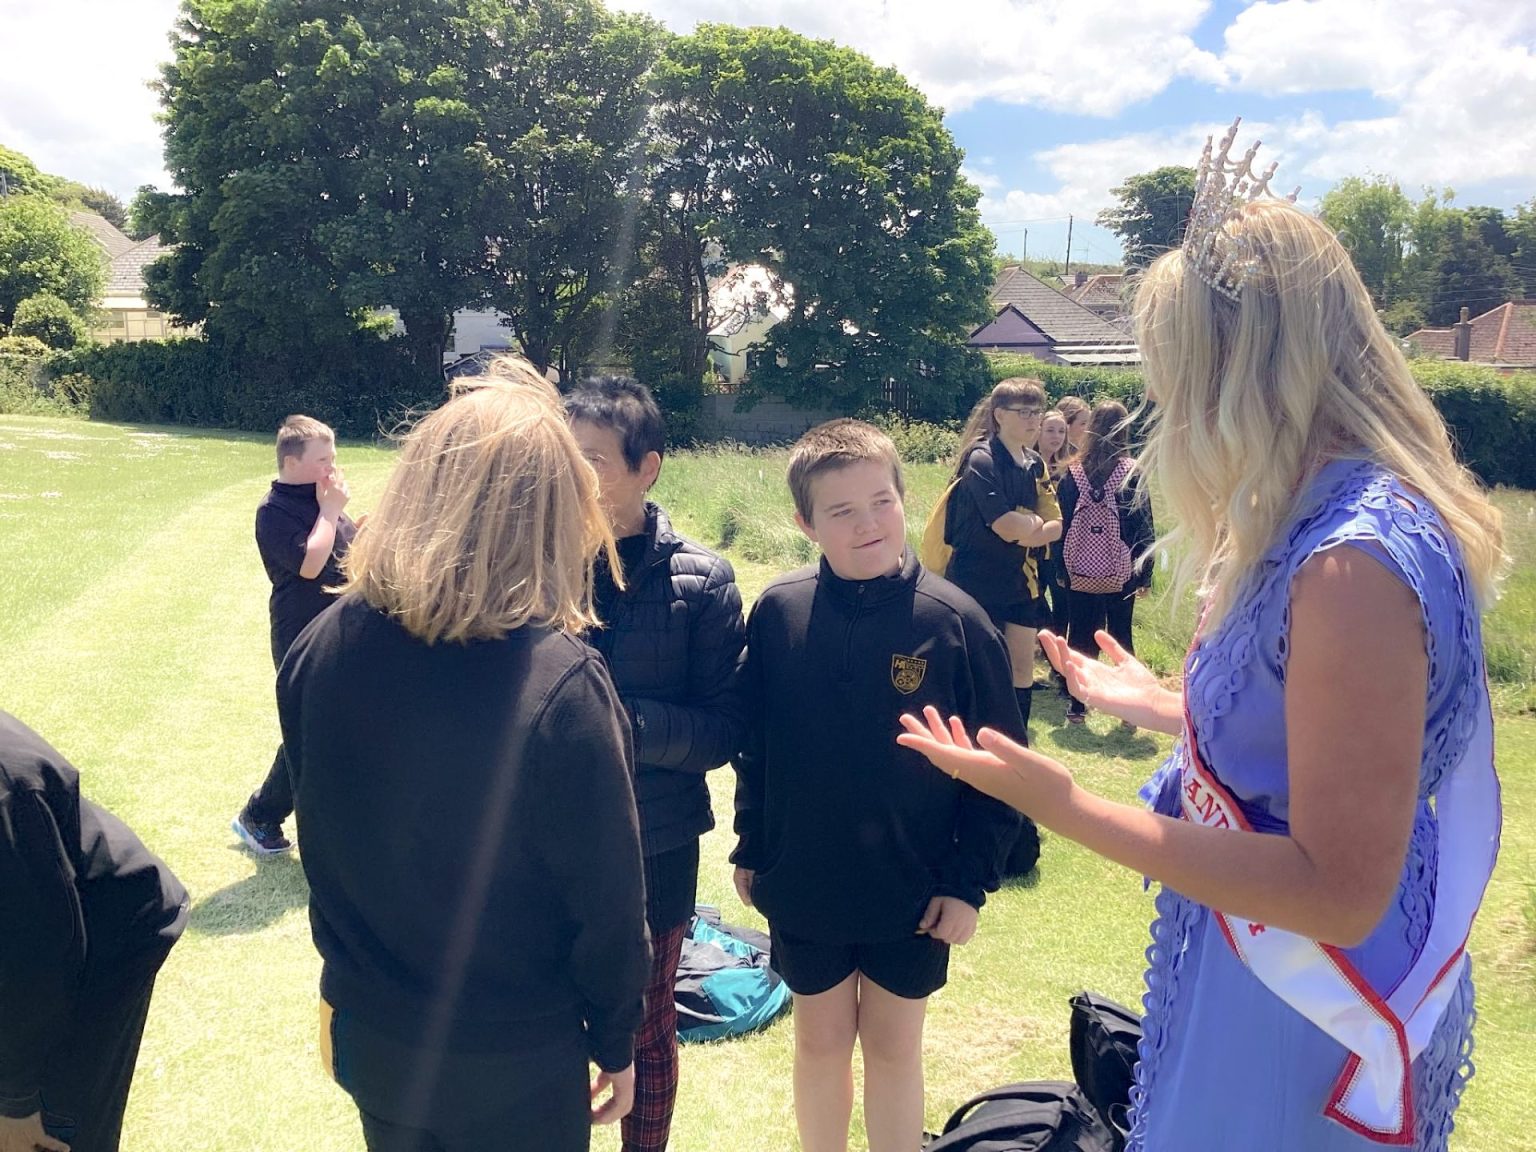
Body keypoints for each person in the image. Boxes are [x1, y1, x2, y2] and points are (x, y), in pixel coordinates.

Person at [898, 128, 1504, 1152]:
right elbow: (1321, 745)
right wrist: (1160, 704)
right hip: (1256, 981)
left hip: (1305, 1015)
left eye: (1176, 366)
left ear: (1246, 363)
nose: (1166, 399)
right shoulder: (1329, 514)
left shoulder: (1350, 559)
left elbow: (1337, 891)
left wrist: (1064, 805)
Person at [277, 360, 651, 1152]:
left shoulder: (320, 645)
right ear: (552, 514)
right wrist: (619, 1039)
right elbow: (609, 903)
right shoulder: (562, 684)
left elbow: (323, 837)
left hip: (373, 1033)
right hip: (511, 1059)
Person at [730, 419, 1023, 1152]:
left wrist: (967, 884)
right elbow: (756, 747)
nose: (869, 523)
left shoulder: (956, 622)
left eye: (882, 501)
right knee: (820, 1043)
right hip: (805, 878)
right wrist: (750, 843)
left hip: (915, 890)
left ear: (904, 497)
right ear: (805, 523)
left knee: (894, 1048)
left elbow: (1002, 772)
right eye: (842, 511)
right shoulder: (778, 612)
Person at [565, 376, 747, 1152]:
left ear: (650, 468)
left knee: (648, 1021)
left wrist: (619, 723)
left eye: (596, 460)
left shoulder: (700, 582)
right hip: (544, 835)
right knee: (543, 1015)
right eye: (565, 458)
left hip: (657, 837)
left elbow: (721, 730)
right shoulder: (530, 566)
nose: (577, 477)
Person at [0, 711, 188, 1152]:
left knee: (48, 1135)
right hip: (37, 928)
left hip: (102, 943)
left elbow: (37, 960)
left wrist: (17, 1101)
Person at [232, 414, 356, 854]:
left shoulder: (325, 498)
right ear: (292, 461)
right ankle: (260, 815)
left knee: (337, 725)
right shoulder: (275, 510)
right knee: (309, 728)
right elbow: (309, 564)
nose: (332, 464)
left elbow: (349, 549)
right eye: (323, 457)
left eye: (332, 455)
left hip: (341, 627)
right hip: (300, 633)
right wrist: (330, 512)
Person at [942, 378, 1062, 742]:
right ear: (999, 416)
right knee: (980, 665)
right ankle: (970, 741)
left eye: (1037, 411)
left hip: (1021, 581)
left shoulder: (1035, 463)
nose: (1033, 420)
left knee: (1022, 667)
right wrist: (1030, 525)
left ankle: (1016, 744)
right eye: (1023, 412)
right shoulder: (981, 459)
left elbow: (1056, 524)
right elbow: (1004, 526)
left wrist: (1032, 527)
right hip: (974, 582)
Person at [1056, 400, 1154, 725]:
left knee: (1080, 636)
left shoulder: (1072, 473)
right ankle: (1129, 710)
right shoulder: (1131, 473)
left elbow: (1062, 524)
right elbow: (1144, 527)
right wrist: (1144, 575)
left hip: (1079, 569)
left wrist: (1060, 569)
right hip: (1121, 571)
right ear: (1124, 429)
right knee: (1121, 636)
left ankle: (1077, 705)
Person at [1033, 409, 1074, 666]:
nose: (1056, 436)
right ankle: (1042, 652)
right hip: (1032, 549)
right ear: (1038, 430)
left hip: (1059, 551)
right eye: (1050, 430)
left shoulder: (1068, 469)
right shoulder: (1027, 464)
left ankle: (1058, 665)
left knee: (1063, 606)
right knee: (1035, 605)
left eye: (1061, 431)